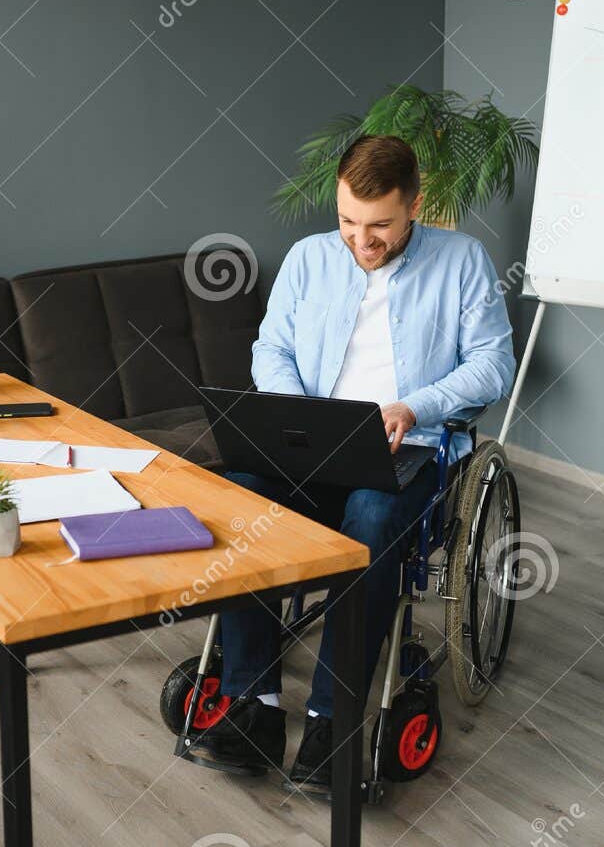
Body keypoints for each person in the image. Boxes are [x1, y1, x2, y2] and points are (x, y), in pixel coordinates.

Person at [193, 135, 515, 794]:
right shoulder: (311, 259)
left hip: (412, 449)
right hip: (310, 445)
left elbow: (493, 365)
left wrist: (413, 406)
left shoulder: (462, 262)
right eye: (347, 222)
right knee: (237, 491)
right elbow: (270, 348)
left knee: (370, 513)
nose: (360, 241)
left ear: (415, 206)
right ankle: (253, 705)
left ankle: (329, 719)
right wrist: (302, 414)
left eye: (379, 227)